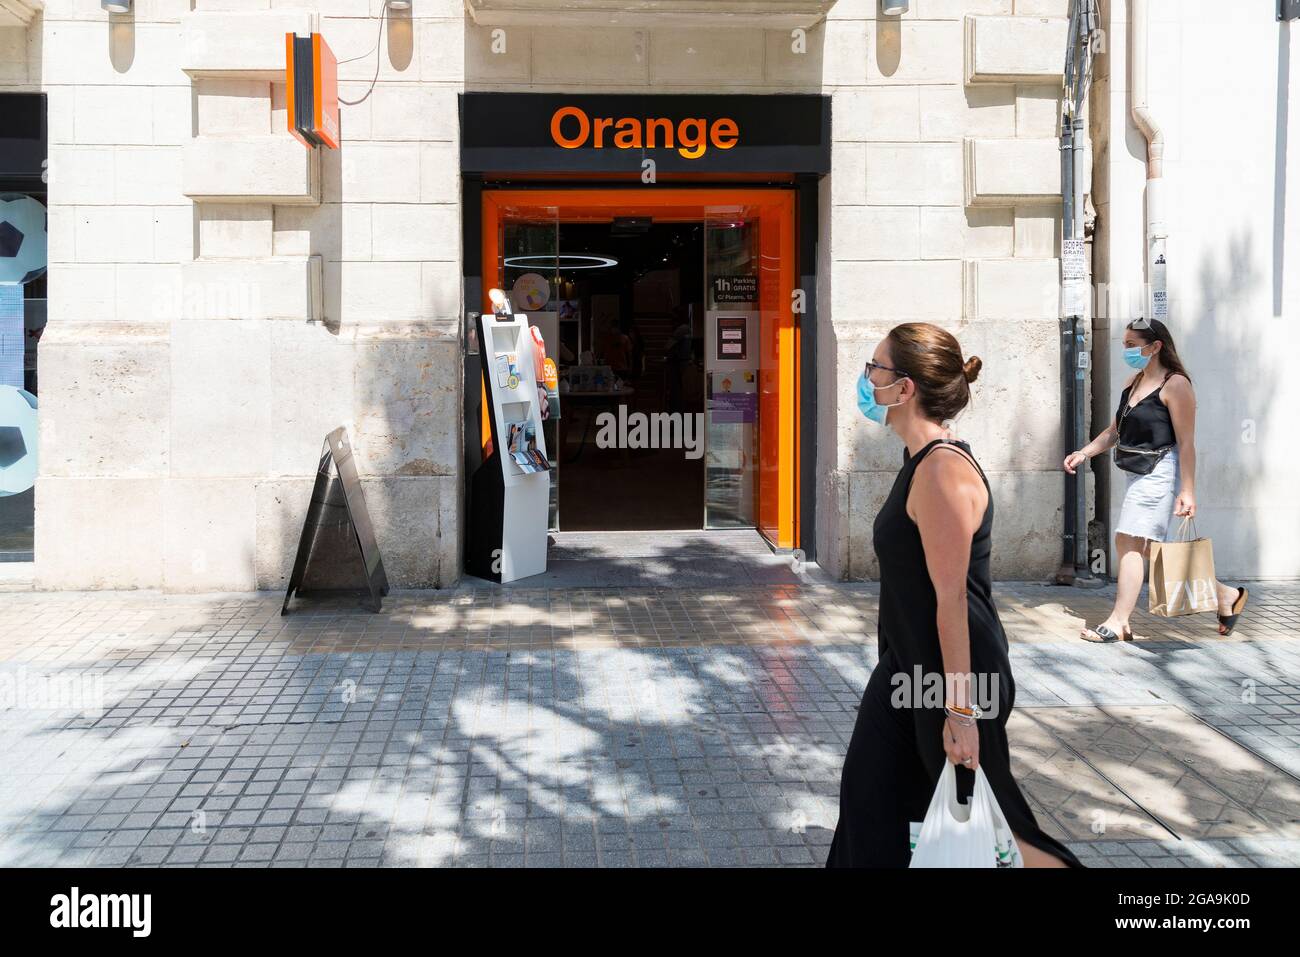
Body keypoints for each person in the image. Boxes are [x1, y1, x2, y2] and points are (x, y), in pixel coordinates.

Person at [827, 322, 1081, 868]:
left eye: (874, 368)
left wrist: (961, 712)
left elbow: (951, 602)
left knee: (998, 827)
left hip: (952, 677)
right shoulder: (919, 461)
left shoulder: (943, 470)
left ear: (905, 388)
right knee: (871, 806)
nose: (865, 380)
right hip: (907, 668)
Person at [1065, 319, 1247, 641]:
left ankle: (1119, 621)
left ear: (1156, 346)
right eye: (1125, 345)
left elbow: (1187, 443)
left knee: (1127, 540)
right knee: (1149, 548)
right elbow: (1114, 432)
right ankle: (1224, 596)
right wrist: (1084, 453)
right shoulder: (1133, 382)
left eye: (1132, 345)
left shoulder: (1176, 385)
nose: (1127, 351)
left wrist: (1188, 491)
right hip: (1136, 473)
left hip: (1160, 471)